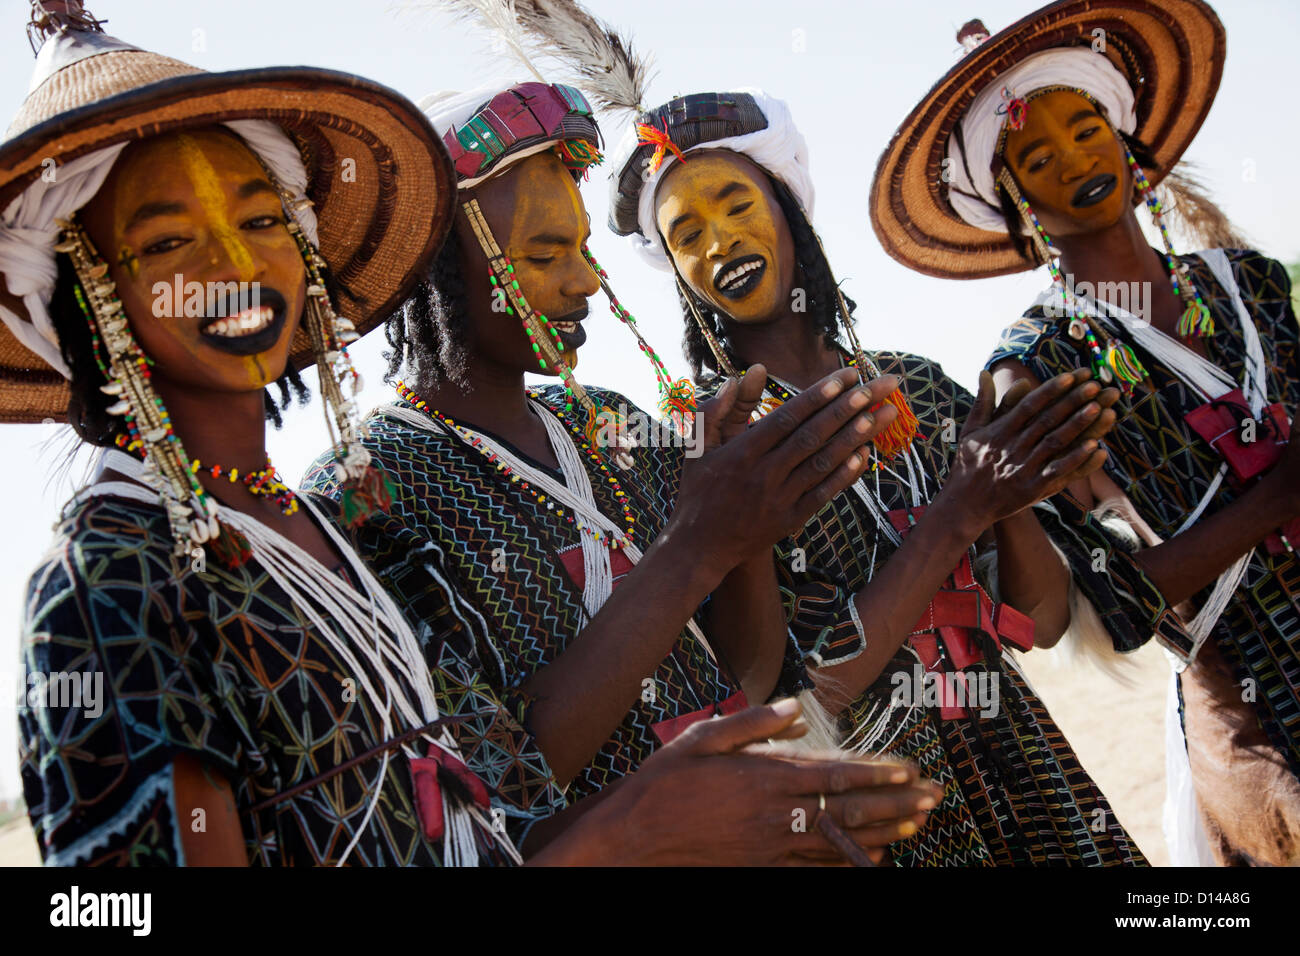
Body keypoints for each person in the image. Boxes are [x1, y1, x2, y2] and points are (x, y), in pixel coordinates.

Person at [12, 2, 936, 867]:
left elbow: (501, 808)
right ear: (80, 289)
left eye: (262, 220)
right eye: (171, 242)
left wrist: (741, 533)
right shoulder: (124, 575)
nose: (235, 264)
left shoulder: (320, 532)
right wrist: (637, 829)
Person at [502, 0, 1147, 863]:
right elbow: (796, 694)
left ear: (791, 216)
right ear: (678, 274)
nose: (719, 238)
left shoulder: (915, 380)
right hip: (880, 808)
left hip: (1027, 763)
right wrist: (959, 509)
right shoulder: (709, 443)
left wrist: (1007, 497)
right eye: (684, 233)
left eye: (735, 202)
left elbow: (1044, 616)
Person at [301, 77, 904, 834]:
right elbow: (492, 783)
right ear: (437, 269)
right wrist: (695, 547)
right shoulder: (362, 494)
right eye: (547, 253)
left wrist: (739, 537)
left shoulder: (614, 427)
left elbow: (749, 681)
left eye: (584, 248)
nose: (586, 280)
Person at [870, 0, 1300, 865]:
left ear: (1126, 140)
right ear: (1015, 199)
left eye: (1086, 127)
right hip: (1260, 713)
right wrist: (1271, 505)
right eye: (1037, 155)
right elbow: (1112, 608)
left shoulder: (1246, 281)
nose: (1074, 159)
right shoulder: (1034, 370)